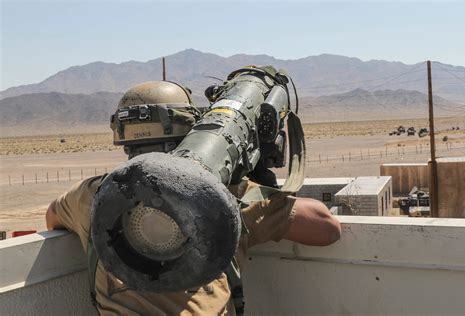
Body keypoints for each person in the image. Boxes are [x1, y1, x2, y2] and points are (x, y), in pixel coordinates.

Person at [46, 80, 341, 316]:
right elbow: (326, 228)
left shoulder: (92, 196)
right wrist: (257, 181)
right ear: (190, 130)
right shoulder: (226, 200)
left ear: (123, 135)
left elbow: (53, 217)